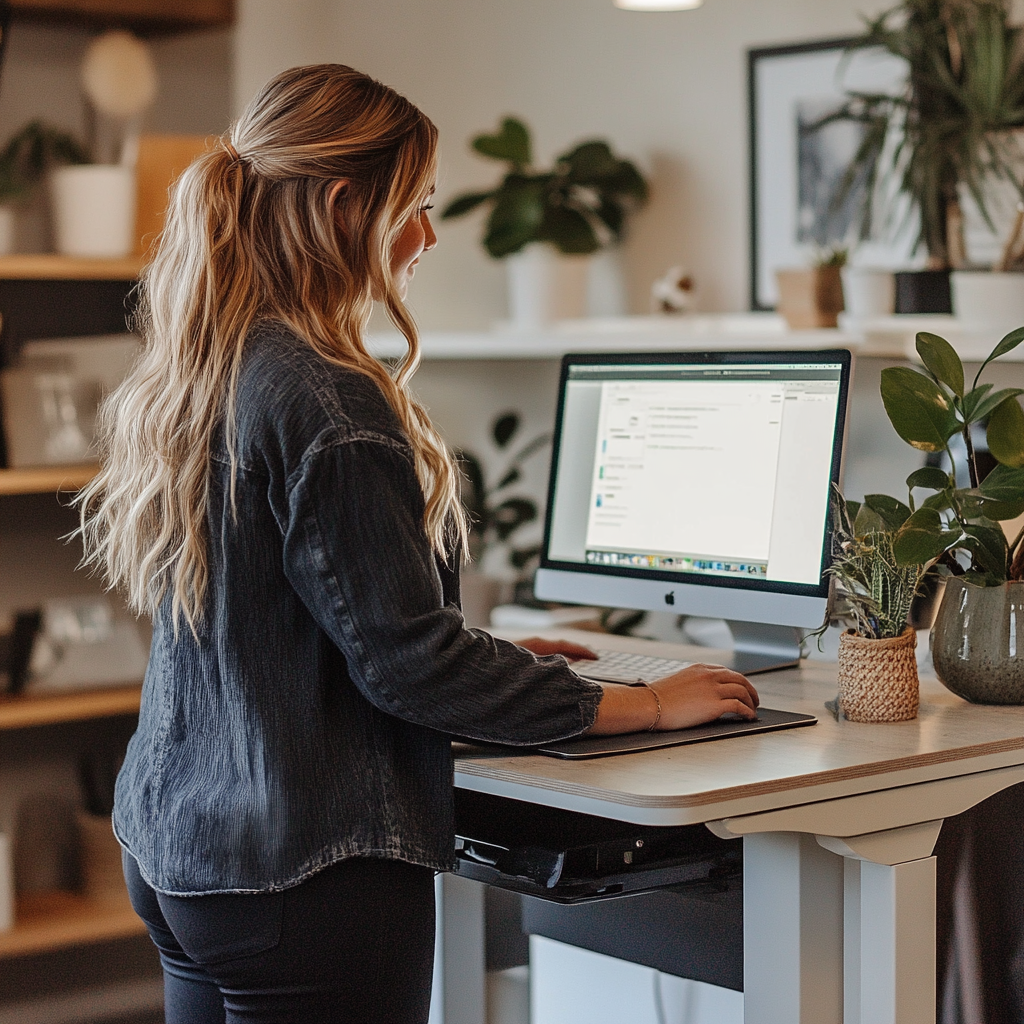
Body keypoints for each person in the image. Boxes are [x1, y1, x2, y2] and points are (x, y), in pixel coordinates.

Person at [76, 64, 759, 1024]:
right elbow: (411, 667)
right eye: (419, 204)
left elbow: (297, 623)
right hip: (303, 874)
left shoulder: (215, 359)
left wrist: (502, 662)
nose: (429, 236)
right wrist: (641, 704)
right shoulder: (326, 396)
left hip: (182, 851)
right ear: (348, 206)